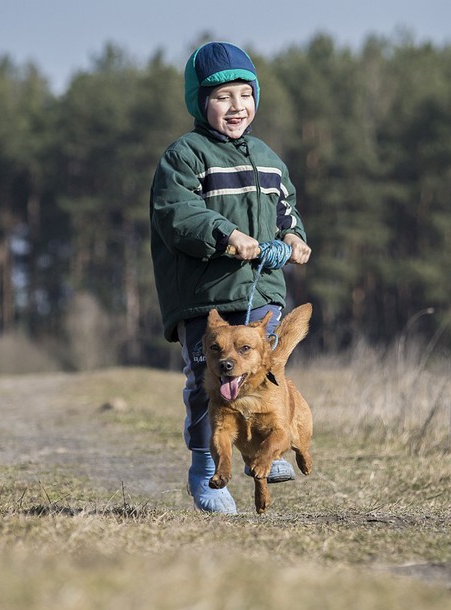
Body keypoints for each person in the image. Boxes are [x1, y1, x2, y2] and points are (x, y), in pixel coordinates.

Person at [149, 41, 312, 514]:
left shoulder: (268, 158)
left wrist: (294, 237)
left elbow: (286, 210)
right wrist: (226, 235)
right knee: (209, 382)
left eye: (245, 94)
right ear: (200, 102)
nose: (236, 106)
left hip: (263, 289)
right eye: (222, 97)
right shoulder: (184, 156)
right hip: (206, 296)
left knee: (266, 373)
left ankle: (267, 446)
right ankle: (206, 467)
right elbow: (177, 214)